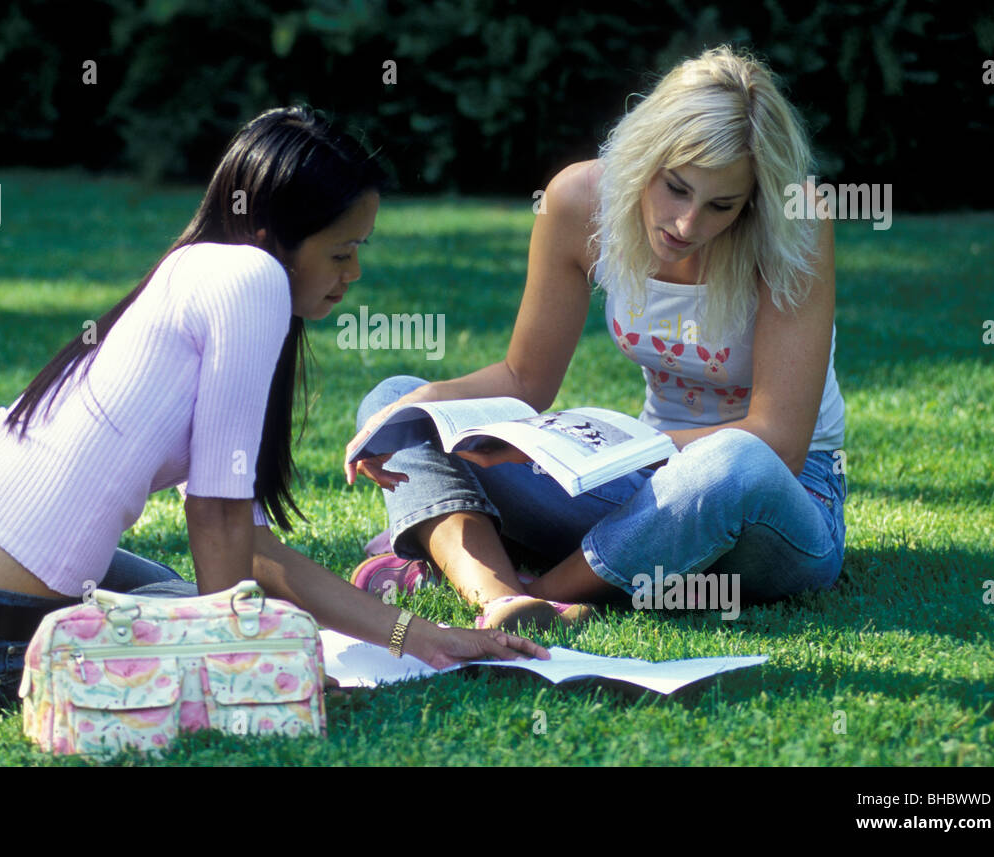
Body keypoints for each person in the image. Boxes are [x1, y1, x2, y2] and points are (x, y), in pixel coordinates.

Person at [0, 106, 547, 709]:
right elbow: (214, 516)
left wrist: (415, 636)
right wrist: (246, 667)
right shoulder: (252, 281)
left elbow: (243, 538)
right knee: (257, 627)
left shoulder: (198, 264)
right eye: (343, 250)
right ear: (280, 233)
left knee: (206, 595)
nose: (353, 272)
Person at [346, 46, 848, 632]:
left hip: (778, 500)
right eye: (676, 188)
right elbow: (523, 379)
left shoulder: (796, 222)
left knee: (731, 460)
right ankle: (501, 599)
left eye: (722, 206)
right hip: (640, 489)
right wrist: (418, 410)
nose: (688, 224)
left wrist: (598, 453)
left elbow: (778, 442)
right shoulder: (581, 200)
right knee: (398, 396)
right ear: (642, 157)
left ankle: (544, 592)